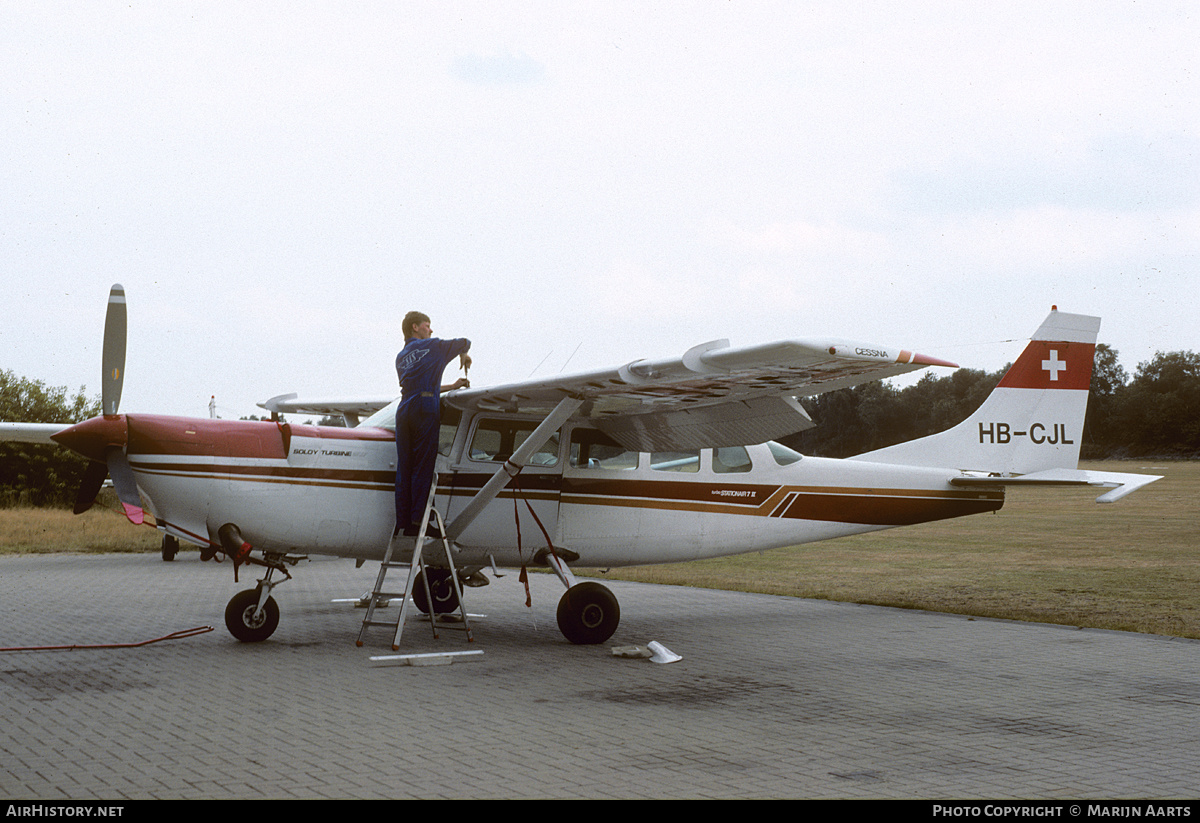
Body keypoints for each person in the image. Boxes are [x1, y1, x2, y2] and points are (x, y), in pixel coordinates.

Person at [394, 311, 471, 537]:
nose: (431, 330)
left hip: (405, 407)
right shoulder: (433, 346)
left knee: (405, 467)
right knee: (423, 466)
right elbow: (465, 342)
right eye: (428, 325)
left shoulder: (401, 356)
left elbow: (420, 386)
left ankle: (404, 522)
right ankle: (420, 520)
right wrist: (464, 355)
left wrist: (451, 386)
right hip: (425, 408)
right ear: (415, 327)